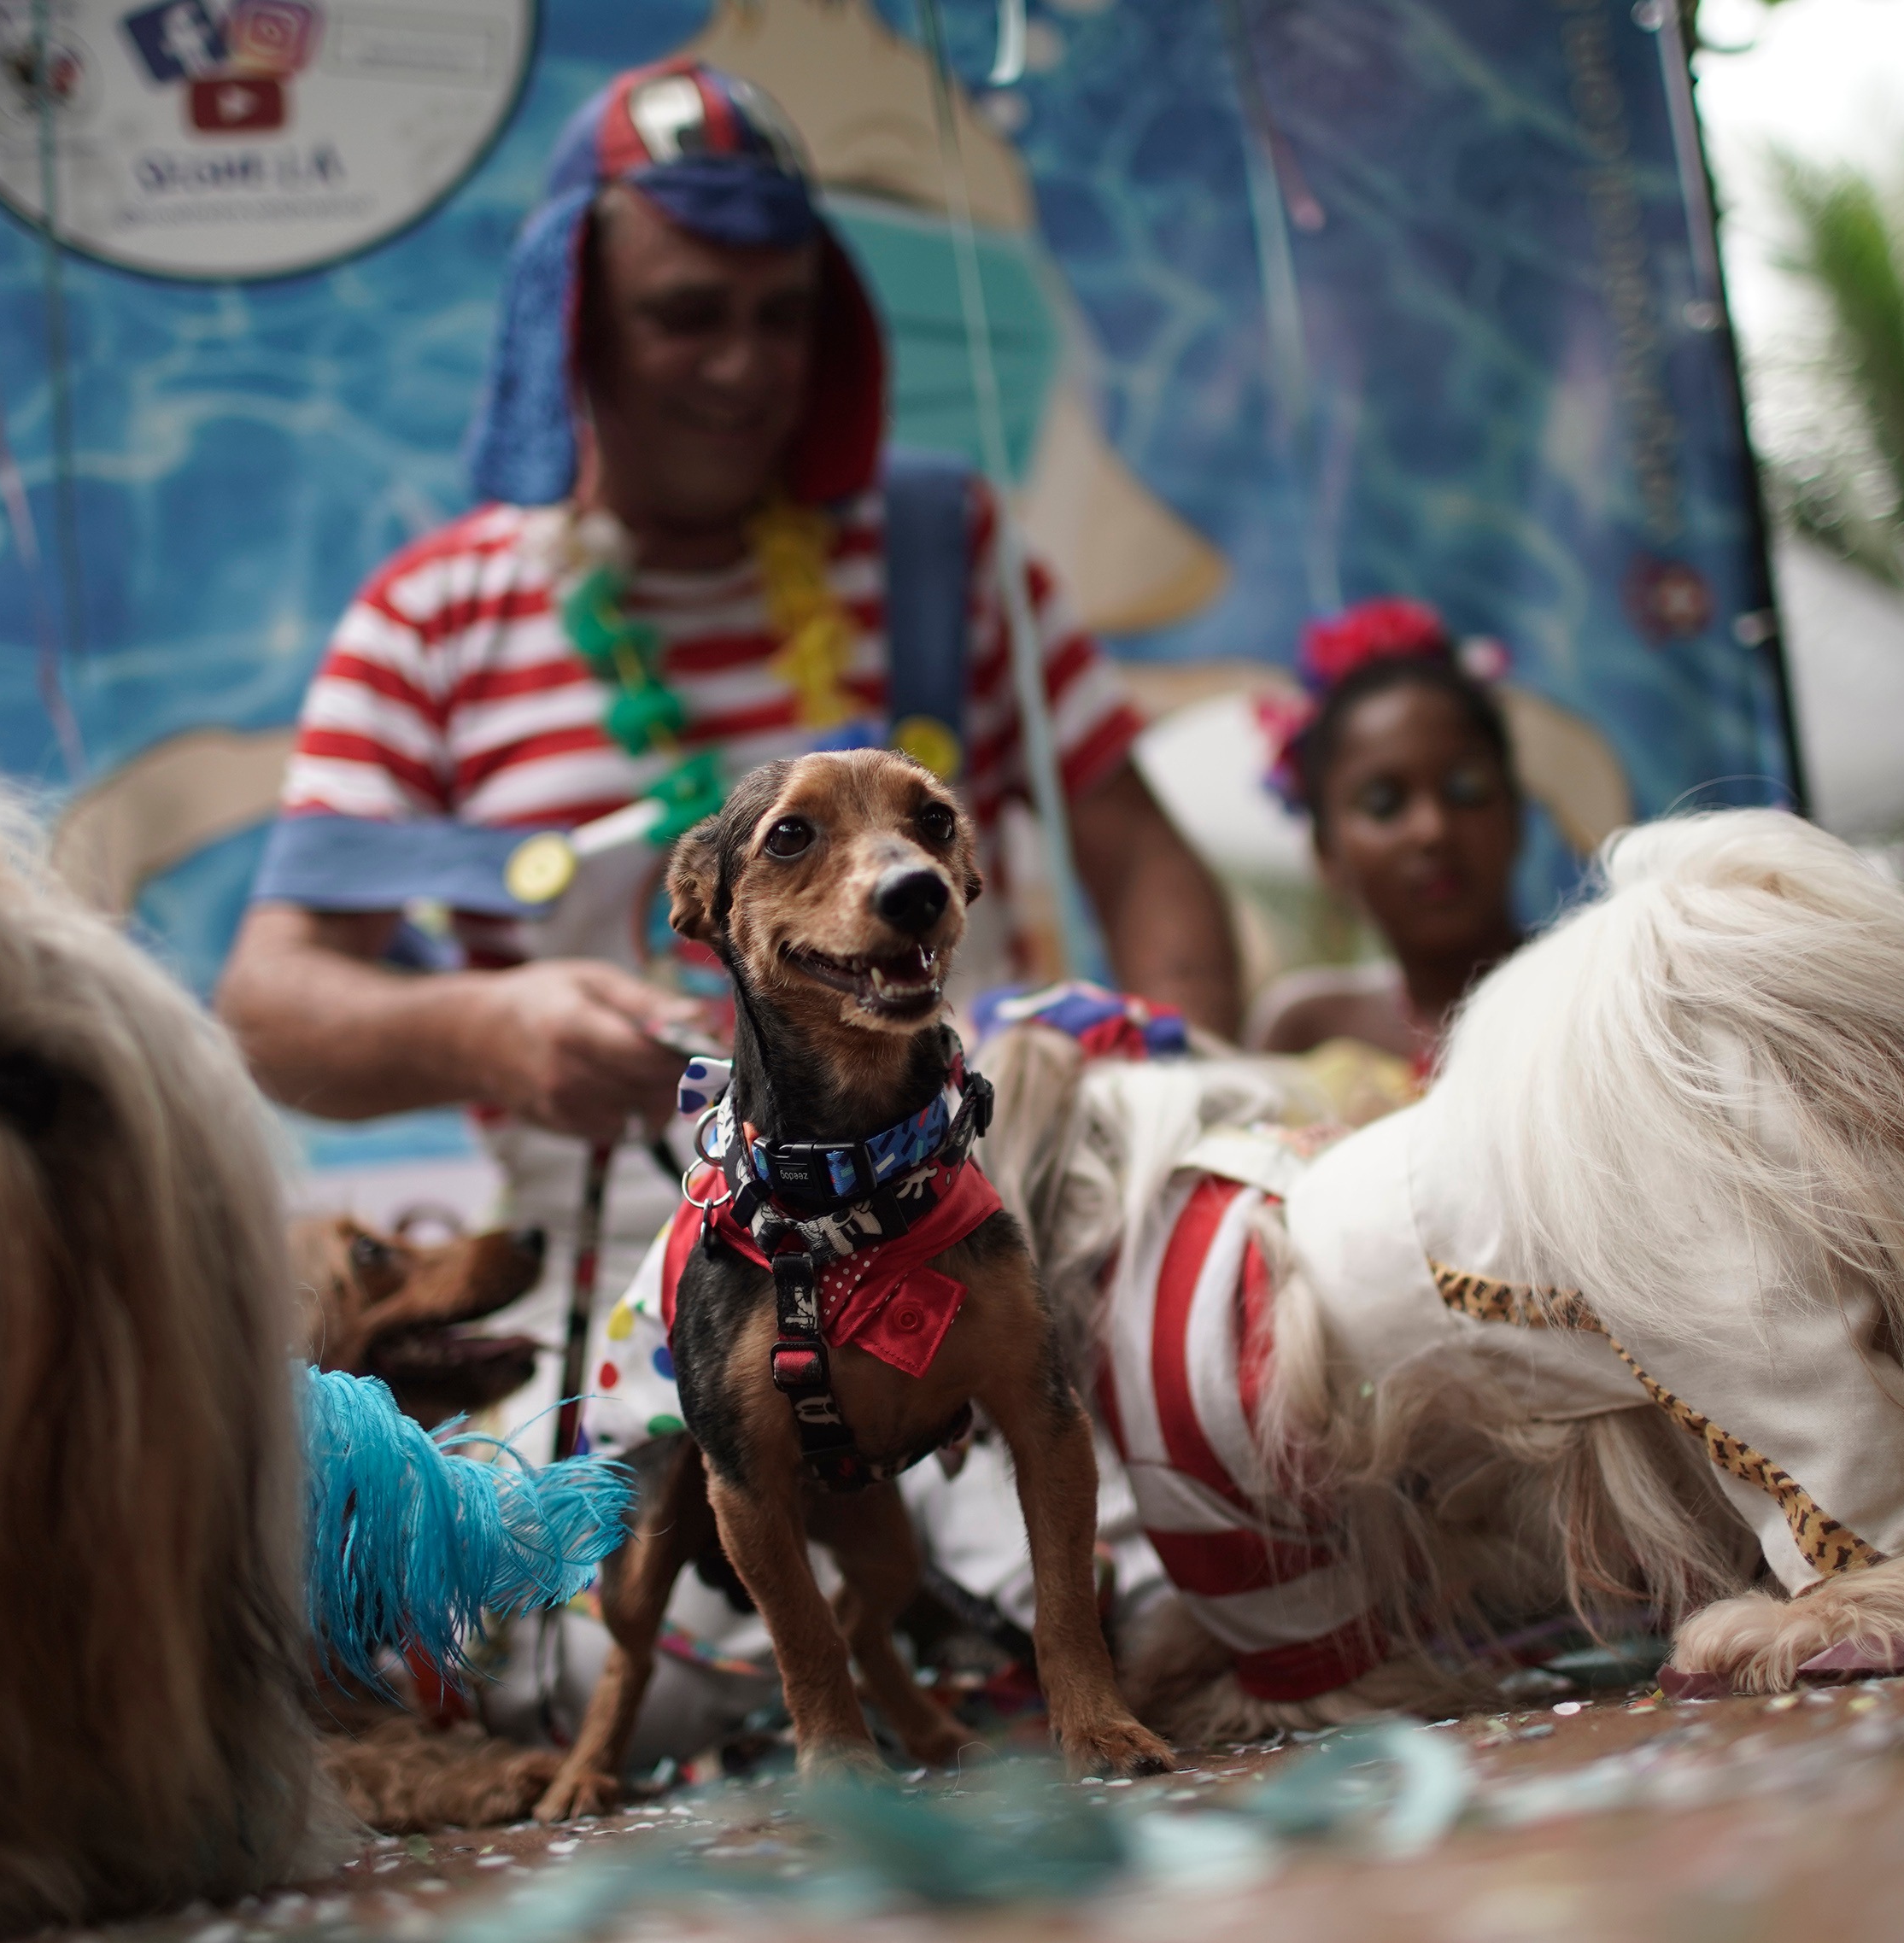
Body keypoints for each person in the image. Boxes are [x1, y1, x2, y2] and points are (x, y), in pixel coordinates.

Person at [214, 59, 1242, 1376]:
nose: (746, 365)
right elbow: (271, 1007)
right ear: (573, 318)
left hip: (972, 1278)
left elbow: (1146, 862)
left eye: (782, 314)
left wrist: (1163, 1152)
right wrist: (487, 1029)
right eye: (686, 314)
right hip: (624, 1324)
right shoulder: (429, 620)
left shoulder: (946, 555)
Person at [1246, 598, 1524, 1074]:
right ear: (1326, 853)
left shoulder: (1604, 996)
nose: (1433, 830)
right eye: (1383, 804)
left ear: (1515, 810)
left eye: (1464, 788)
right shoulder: (1305, 1037)